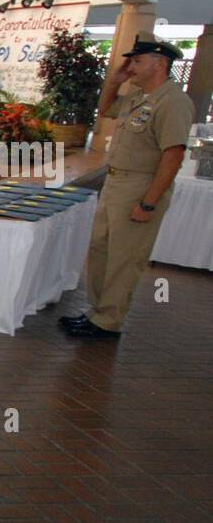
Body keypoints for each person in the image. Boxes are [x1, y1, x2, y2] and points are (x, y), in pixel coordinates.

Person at [60, 33, 195, 340]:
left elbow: (172, 156)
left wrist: (148, 203)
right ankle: (96, 312)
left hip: (140, 186)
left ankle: (109, 321)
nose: (131, 67)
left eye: (137, 61)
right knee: (101, 251)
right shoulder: (138, 97)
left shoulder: (173, 102)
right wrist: (113, 81)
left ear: (159, 63)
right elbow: (106, 111)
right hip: (116, 182)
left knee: (124, 257)